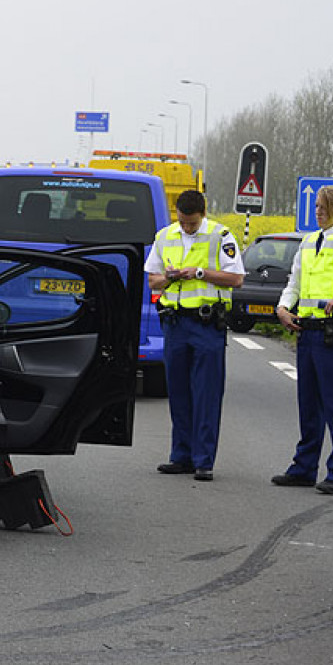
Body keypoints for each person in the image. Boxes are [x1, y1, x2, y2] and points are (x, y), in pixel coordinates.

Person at [271, 185, 333, 494]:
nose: (319, 211)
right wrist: (283, 307)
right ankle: (304, 467)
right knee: (308, 404)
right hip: (306, 331)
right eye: (316, 206)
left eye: (324, 207)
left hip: (331, 335)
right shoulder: (309, 242)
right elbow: (295, 282)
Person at [145, 189, 244, 481]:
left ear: (203, 213)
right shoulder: (164, 236)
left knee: (206, 393)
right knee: (178, 392)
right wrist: (171, 276)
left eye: (192, 223)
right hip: (175, 324)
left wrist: (199, 273)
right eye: (183, 221)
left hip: (206, 324)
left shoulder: (220, 235)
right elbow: (154, 281)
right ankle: (181, 456)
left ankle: (203, 460)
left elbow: (236, 278)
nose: (187, 227)